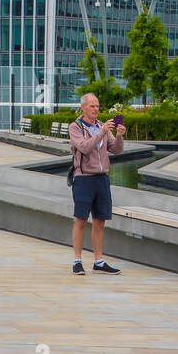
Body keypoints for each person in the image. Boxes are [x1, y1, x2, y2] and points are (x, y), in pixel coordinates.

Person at [68, 92, 124, 275]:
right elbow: (84, 147)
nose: (96, 109)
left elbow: (116, 150)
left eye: (98, 106)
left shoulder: (102, 126)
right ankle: (77, 260)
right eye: (92, 106)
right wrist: (102, 133)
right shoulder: (75, 127)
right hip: (84, 178)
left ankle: (99, 261)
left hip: (102, 179)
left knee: (100, 221)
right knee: (81, 220)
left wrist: (120, 135)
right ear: (83, 107)